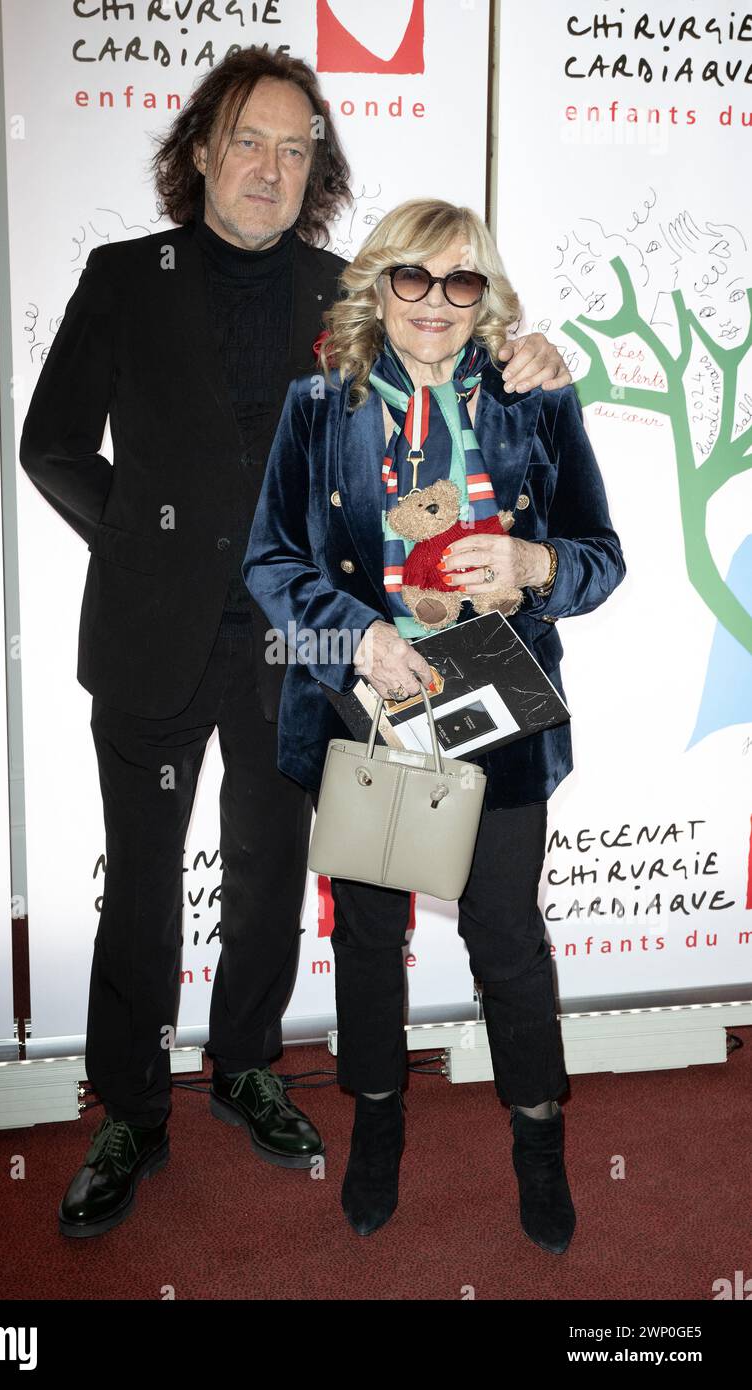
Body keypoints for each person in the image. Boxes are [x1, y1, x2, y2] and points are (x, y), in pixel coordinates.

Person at [19, 48, 573, 1239]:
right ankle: (127, 1105)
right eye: (248, 141)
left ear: (313, 168)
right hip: (151, 637)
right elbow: (51, 442)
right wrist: (146, 543)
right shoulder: (124, 277)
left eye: (294, 146)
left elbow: (453, 359)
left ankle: (245, 1067)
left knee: (271, 874)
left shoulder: (344, 291)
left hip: (303, 652)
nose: (269, 166)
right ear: (201, 153)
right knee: (144, 880)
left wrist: (535, 357)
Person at [243, 197, 626, 1251]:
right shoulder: (320, 402)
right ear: (378, 284)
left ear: (483, 297)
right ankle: (375, 1125)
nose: (434, 303)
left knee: (507, 937)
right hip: (366, 710)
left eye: (460, 282)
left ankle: (538, 1138)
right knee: (370, 938)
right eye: (412, 277)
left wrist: (533, 565)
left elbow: (600, 553)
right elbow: (269, 562)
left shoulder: (533, 398)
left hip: (497, 709)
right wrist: (357, 633)